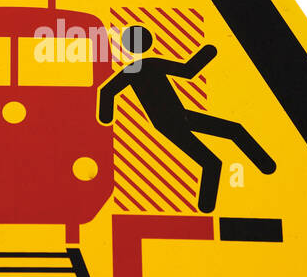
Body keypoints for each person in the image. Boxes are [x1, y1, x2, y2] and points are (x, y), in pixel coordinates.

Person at [98, 25, 275, 213]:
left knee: (229, 137)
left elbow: (107, 92)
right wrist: (209, 52)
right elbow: (189, 70)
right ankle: (207, 207)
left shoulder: (135, 68)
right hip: (171, 121)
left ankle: (267, 167)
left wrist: (106, 117)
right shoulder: (144, 66)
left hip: (178, 116)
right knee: (214, 158)